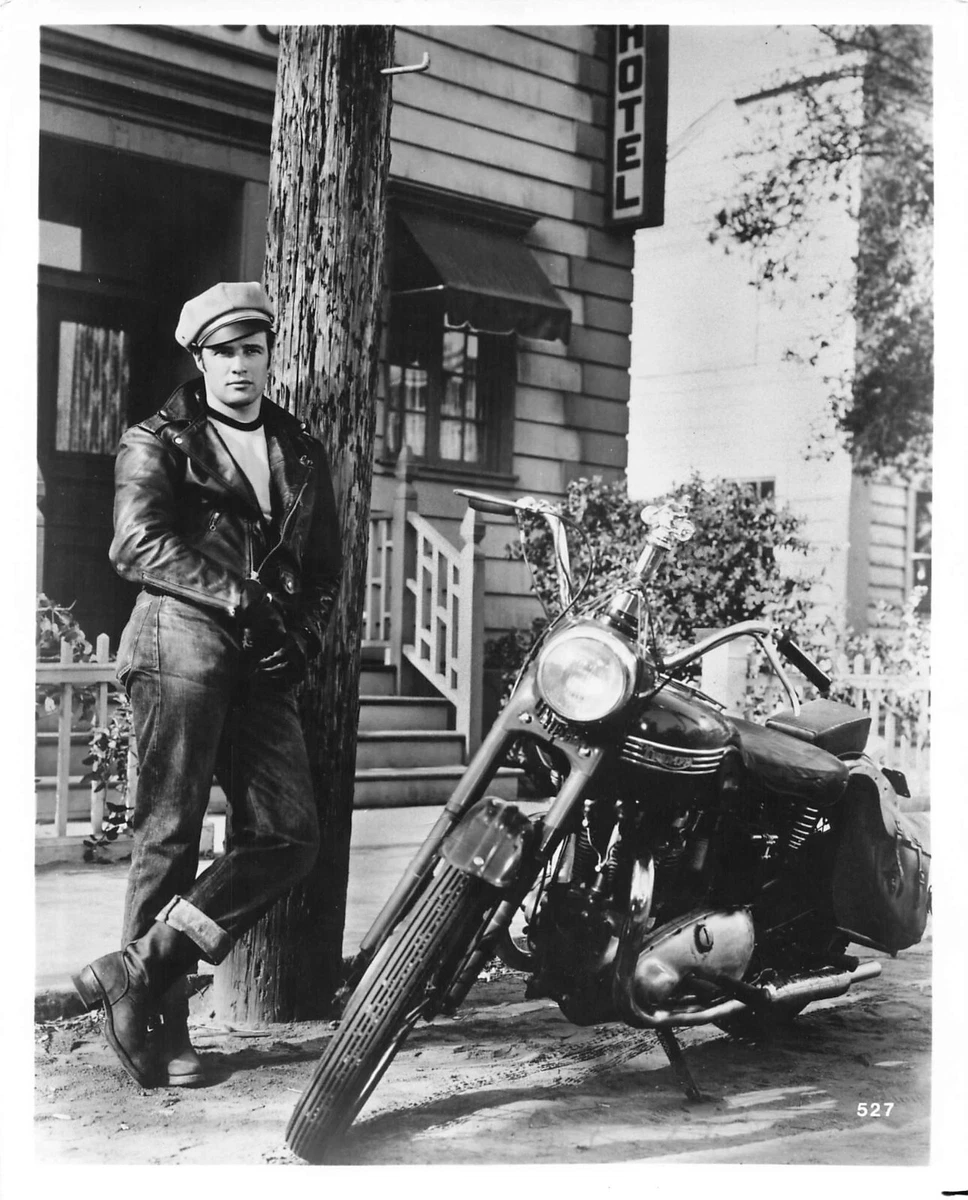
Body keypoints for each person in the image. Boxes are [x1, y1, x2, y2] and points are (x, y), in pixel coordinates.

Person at [72, 281, 343, 1088]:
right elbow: (136, 546)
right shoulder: (156, 438)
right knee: (170, 836)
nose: (239, 366)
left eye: (252, 349)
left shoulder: (298, 445)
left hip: (262, 660)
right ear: (200, 358)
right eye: (223, 352)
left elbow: (323, 570)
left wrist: (300, 636)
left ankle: (142, 965)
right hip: (179, 646)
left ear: (268, 356)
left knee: (290, 836)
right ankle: (166, 1028)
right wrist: (240, 598)